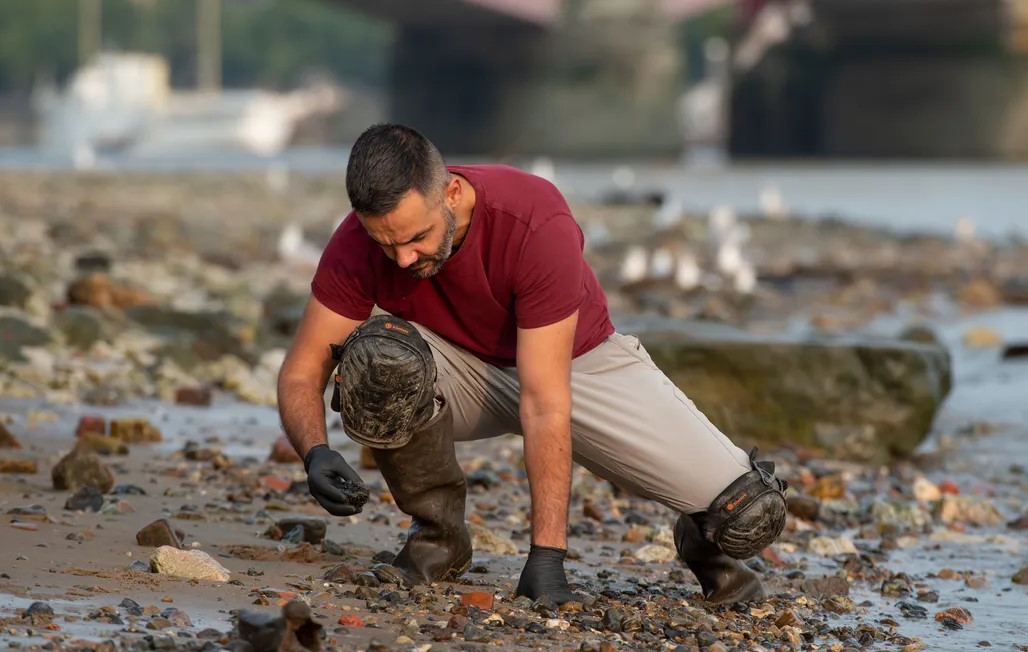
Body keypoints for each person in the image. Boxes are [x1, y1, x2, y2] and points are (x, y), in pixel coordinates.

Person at [275, 123, 787, 606]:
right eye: (387, 244)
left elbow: (544, 402)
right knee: (375, 362)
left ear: (451, 193)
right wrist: (314, 451)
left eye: (416, 238)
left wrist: (547, 561)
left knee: (749, 513)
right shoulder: (358, 242)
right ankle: (438, 538)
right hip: (460, 371)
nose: (404, 259)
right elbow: (302, 370)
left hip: (579, 366)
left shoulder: (533, 218)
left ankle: (698, 538)